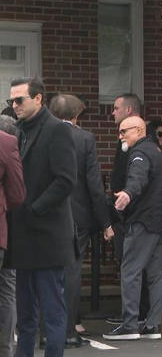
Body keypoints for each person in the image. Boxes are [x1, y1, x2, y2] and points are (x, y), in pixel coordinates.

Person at [7, 77, 76, 357]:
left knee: (52, 311)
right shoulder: (18, 131)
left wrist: (35, 208)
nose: (14, 105)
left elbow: (65, 180)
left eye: (19, 99)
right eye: (11, 100)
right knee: (25, 314)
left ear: (38, 98)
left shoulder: (57, 130)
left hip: (48, 238)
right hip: (23, 237)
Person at [48, 94, 114, 347]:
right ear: (76, 115)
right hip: (75, 216)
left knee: (43, 272)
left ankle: (42, 329)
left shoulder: (38, 133)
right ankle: (67, 331)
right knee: (71, 271)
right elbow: (94, 185)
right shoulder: (84, 138)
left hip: (43, 214)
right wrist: (105, 222)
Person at [103, 116, 162, 340]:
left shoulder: (139, 153)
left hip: (143, 220)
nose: (120, 136)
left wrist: (127, 193)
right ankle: (153, 325)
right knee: (155, 274)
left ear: (139, 131)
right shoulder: (158, 152)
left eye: (124, 131)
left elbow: (137, 178)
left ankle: (130, 324)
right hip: (160, 221)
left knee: (130, 270)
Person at [0, 115, 24, 357]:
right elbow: (17, 194)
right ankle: (6, 350)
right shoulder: (7, 144)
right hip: (5, 230)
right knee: (7, 290)